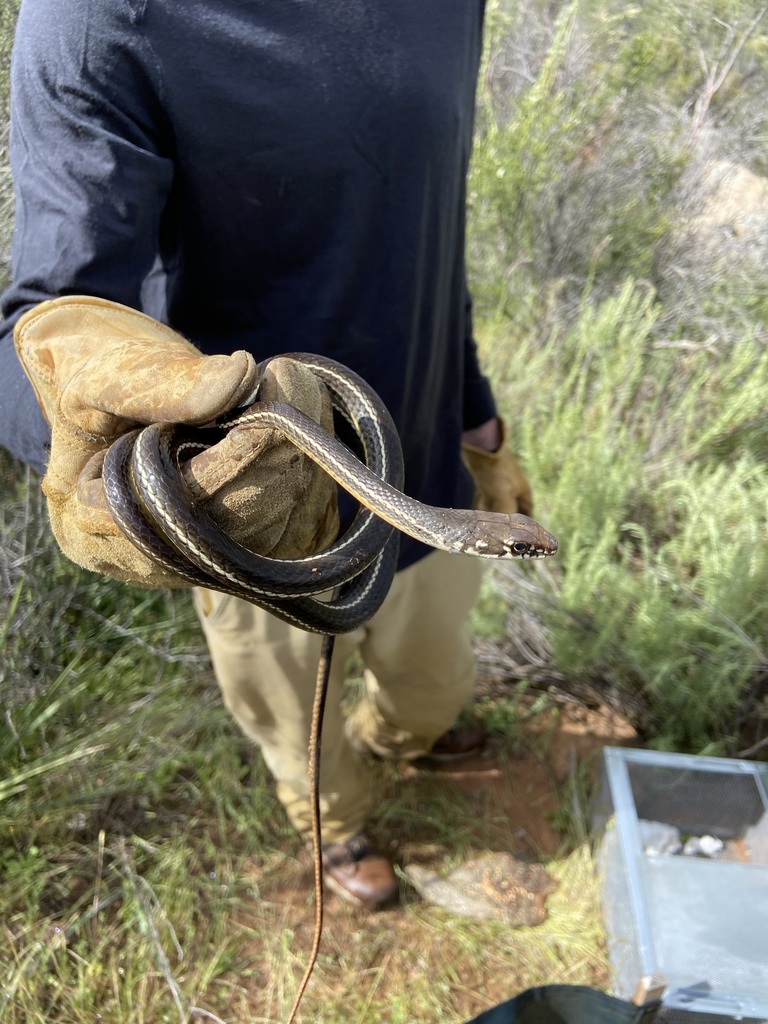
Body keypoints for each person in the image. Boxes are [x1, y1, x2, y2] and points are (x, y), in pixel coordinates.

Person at [0, 0, 534, 910]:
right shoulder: (104, 17)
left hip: (428, 467)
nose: (527, 547)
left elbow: (429, 234)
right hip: (253, 516)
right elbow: (44, 325)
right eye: (519, 547)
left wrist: (477, 417)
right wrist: (101, 452)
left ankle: (404, 737)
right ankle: (334, 823)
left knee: (434, 688)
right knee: (300, 732)